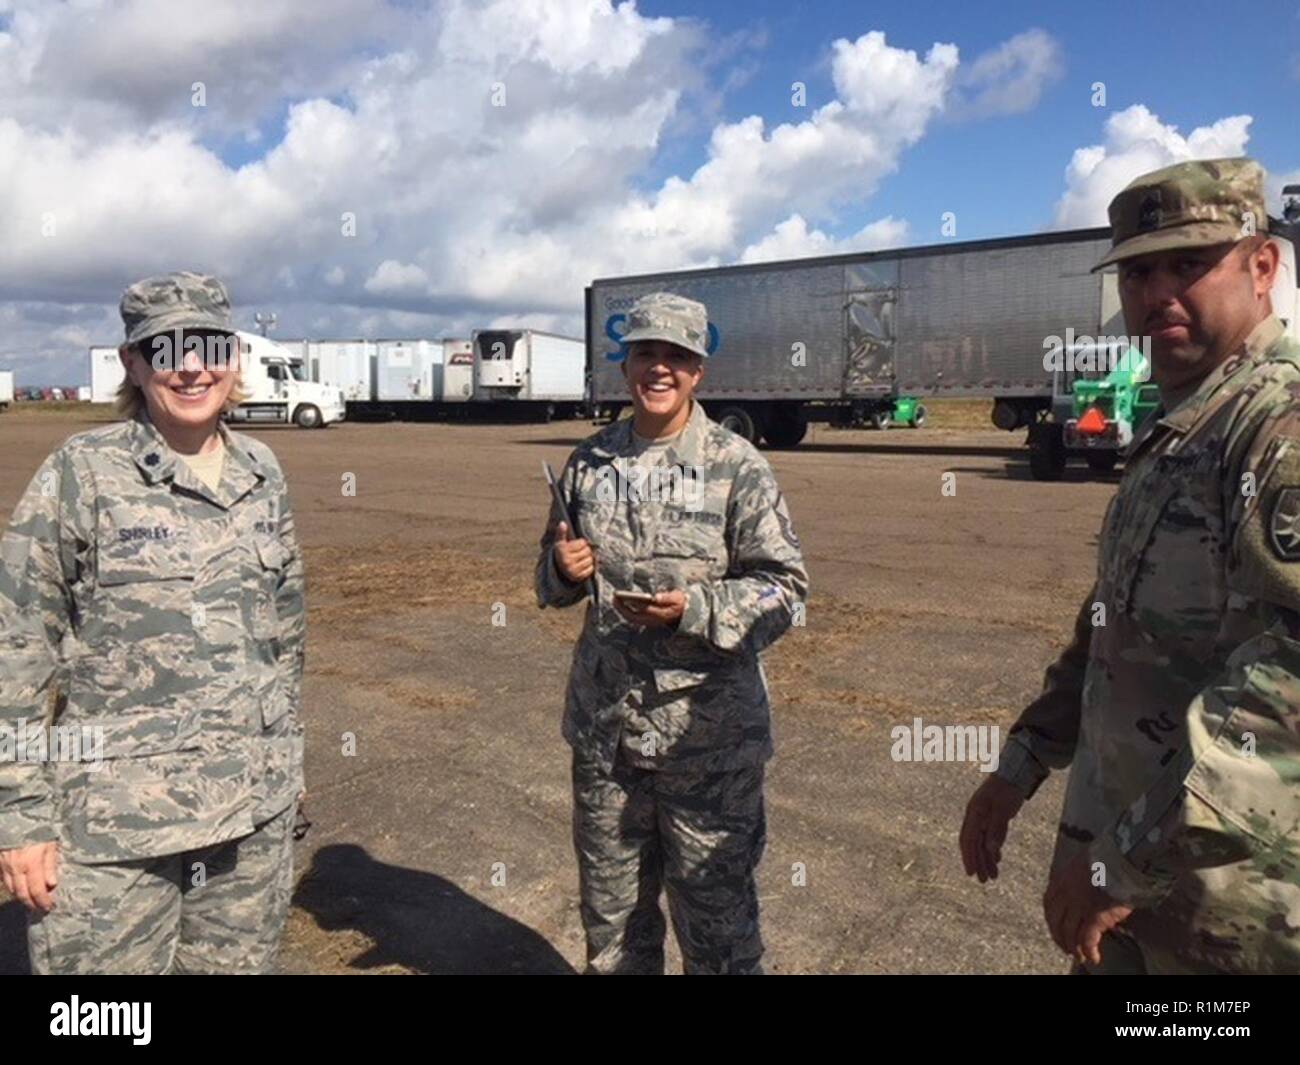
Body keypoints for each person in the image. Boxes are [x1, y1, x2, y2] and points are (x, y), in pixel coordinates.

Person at [960, 158, 1300, 974]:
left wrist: (1127, 859)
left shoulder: (1276, 428)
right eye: (1139, 271)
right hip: (1138, 901)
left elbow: (1286, 686)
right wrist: (1022, 763)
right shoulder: (1186, 421)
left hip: (1228, 914)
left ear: (1262, 266)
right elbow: (1116, 623)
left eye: (1189, 264)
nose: (1157, 294)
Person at [0, 271, 305, 974]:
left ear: (232, 356)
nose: (191, 366)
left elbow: (285, 637)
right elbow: (16, 649)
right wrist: (19, 816)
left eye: (207, 345)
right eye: (165, 348)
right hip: (113, 837)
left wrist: (288, 767)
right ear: (134, 364)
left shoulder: (263, 472)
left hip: (247, 827)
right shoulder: (83, 472)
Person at [535, 291, 808, 973]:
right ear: (625, 364)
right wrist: (563, 570)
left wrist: (697, 608)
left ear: (699, 370)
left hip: (707, 747)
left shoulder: (736, 464)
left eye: (677, 356)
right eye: (646, 352)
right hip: (608, 741)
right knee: (613, 931)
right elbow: (547, 583)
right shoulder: (588, 462)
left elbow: (786, 589)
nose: (660, 368)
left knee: (719, 936)